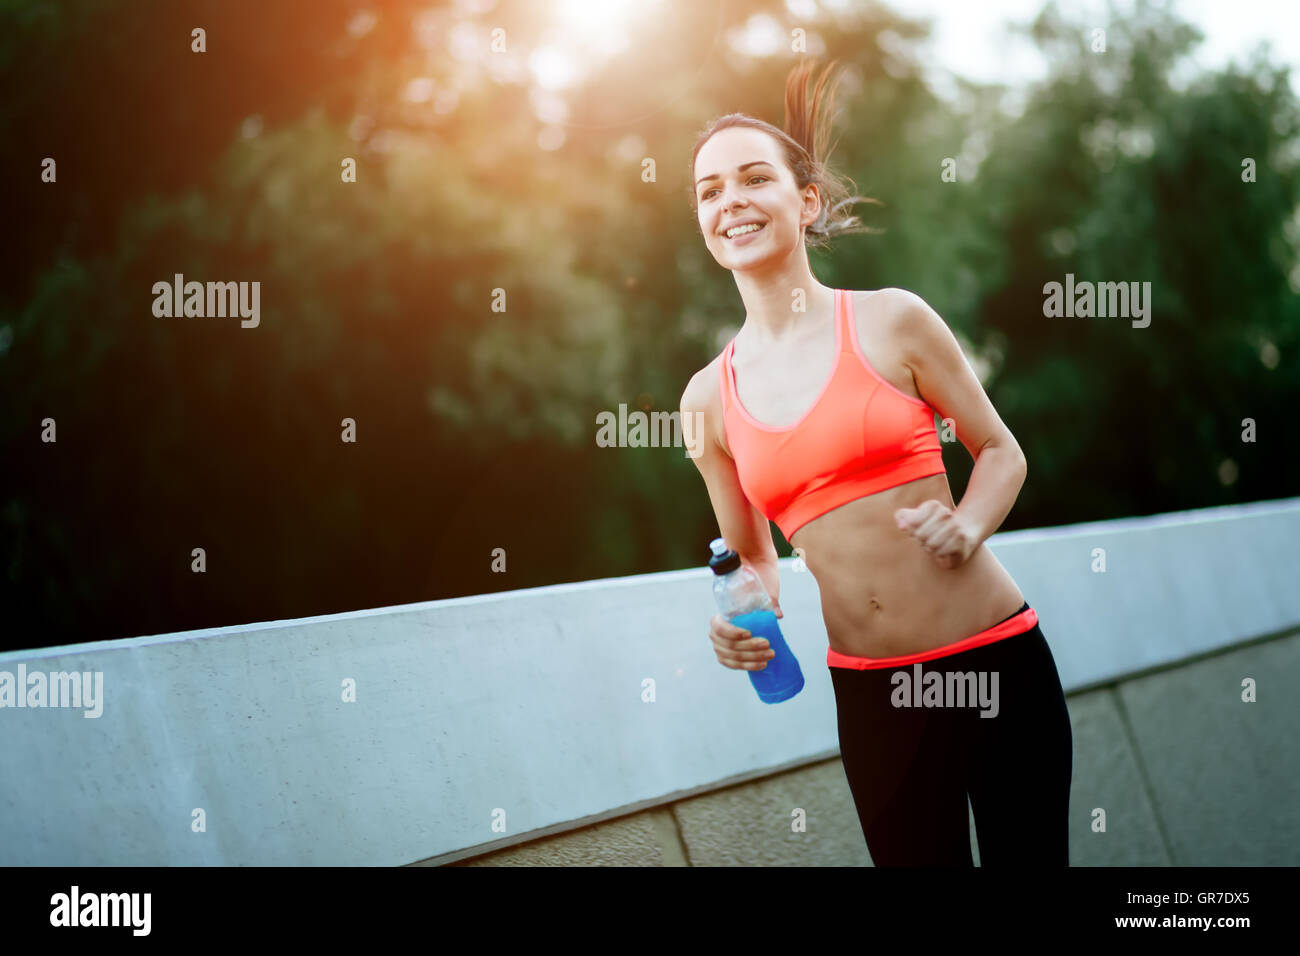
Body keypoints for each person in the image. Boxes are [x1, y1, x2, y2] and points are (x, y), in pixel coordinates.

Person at [679, 59, 1073, 866]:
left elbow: (1001, 452)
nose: (731, 203)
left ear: (807, 200)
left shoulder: (894, 322)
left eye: (755, 179)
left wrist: (967, 525)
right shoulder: (704, 402)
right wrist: (737, 618)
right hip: (875, 693)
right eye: (710, 191)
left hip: (996, 662)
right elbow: (752, 552)